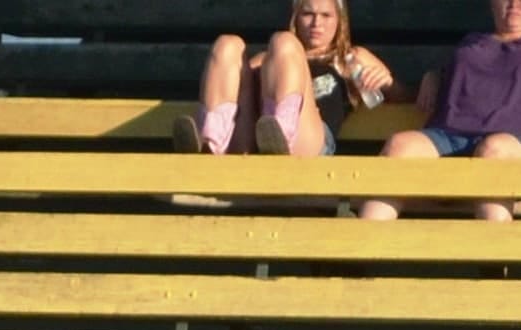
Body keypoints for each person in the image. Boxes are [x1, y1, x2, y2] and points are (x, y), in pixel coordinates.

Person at [360, 0, 521, 221]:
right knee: (400, 145)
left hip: (508, 140)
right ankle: (362, 244)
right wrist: (435, 74)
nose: (513, 4)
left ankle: (494, 247)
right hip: (448, 134)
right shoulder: (472, 42)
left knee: (494, 151)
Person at [175, 0, 399, 157]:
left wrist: (386, 82)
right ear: (296, 17)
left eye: (326, 15)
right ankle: (210, 142)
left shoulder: (350, 58)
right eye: (308, 14)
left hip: (309, 143)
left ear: (340, 20)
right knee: (227, 44)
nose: (316, 24)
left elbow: (407, 97)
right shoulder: (269, 58)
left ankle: (280, 135)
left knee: (284, 41)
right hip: (253, 139)